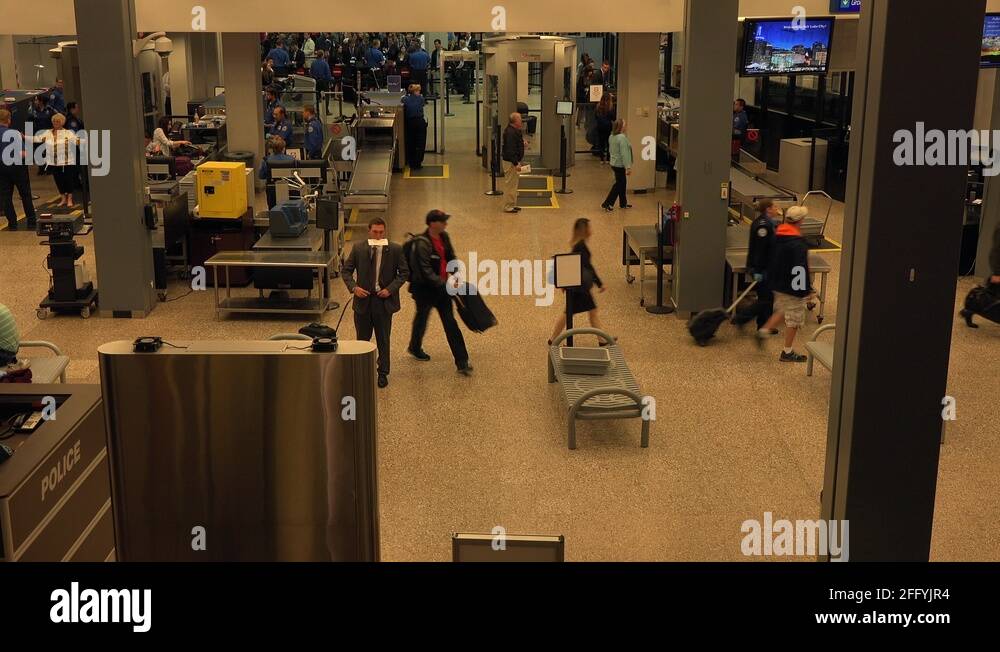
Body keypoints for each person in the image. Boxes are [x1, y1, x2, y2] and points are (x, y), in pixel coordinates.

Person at [341, 217, 409, 389]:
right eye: (375, 232)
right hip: (363, 301)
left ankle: (383, 373)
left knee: (383, 339)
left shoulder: (394, 249)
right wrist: (354, 288)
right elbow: (347, 271)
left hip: (383, 301)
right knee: (362, 339)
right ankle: (361, 370)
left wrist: (390, 289)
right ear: (369, 231)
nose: (378, 235)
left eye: (381, 232)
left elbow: (404, 273)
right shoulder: (358, 249)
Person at [407, 210, 473, 376]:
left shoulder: (444, 237)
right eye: (442, 221)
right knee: (421, 318)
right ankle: (414, 347)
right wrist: (443, 284)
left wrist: (456, 274)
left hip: (442, 290)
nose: (445, 224)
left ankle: (462, 362)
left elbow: (451, 257)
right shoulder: (422, 244)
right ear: (432, 223)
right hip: (425, 290)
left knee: (450, 323)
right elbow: (425, 271)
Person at [755, 206, 816, 362]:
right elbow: (800, 269)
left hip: (777, 282)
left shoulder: (778, 234)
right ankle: (787, 352)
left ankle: (763, 331)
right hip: (792, 286)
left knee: (783, 309)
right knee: (794, 319)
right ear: (801, 221)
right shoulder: (798, 243)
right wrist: (805, 290)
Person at [549, 218, 611, 346]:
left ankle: (602, 340)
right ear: (584, 230)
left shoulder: (578, 244)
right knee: (580, 313)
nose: (591, 230)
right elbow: (588, 266)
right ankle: (602, 340)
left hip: (577, 285)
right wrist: (599, 283)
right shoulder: (581, 246)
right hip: (580, 287)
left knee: (577, 312)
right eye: (589, 227)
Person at [746, 199, 782, 330]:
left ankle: (765, 324)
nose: (777, 208)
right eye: (774, 207)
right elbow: (760, 251)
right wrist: (758, 270)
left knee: (767, 297)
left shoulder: (768, 223)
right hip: (762, 269)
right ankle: (761, 325)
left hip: (767, 268)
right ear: (768, 209)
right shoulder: (763, 226)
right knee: (765, 298)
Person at [32, 112, 81, 207]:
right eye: (54, 121)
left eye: (58, 122)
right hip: (53, 163)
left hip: (67, 162)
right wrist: (24, 137)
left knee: (68, 180)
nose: (55, 123)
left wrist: (84, 140)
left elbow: (76, 141)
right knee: (58, 181)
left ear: (62, 122)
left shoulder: (68, 133)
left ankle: (70, 198)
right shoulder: (48, 132)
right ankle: (63, 198)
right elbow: (37, 138)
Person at [0, 109, 37, 230]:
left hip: (1, 168)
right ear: (9, 120)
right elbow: (23, 154)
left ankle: (12, 224)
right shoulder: (14, 133)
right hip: (17, 167)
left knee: (6, 196)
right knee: (25, 194)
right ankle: (31, 221)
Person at [602, 118, 634, 211]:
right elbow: (625, 153)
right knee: (619, 184)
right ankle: (608, 203)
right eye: (625, 125)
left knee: (622, 183)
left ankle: (623, 203)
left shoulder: (611, 136)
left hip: (614, 163)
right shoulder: (622, 138)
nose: (626, 126)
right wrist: (628, 167)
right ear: (621, 127)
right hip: (620, 164)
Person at [258, 136, 294, 209]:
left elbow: (261, 176)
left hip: (272, 190)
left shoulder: (266, 160)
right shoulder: (291, 159)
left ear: (272, 149)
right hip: (288, 188)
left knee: (273, 210)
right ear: (283, 148)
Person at [501, 112, 525, 214]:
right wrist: (516, 163)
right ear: (515, 121)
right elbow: (510, 150)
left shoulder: (514, 131)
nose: (521, 121)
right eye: (520, 119)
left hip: (513, 161)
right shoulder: (511, 133)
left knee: (513, 184)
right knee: (510, 185)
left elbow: (515, 143)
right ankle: (508, 206)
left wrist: (522, 143)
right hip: (510, 162)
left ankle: (512, 204)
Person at [401, 84, 427, 170]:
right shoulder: (421, 99)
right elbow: (423, 104)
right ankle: (418, 162)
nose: (419, 92)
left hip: (410, 123)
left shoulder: (406, 99)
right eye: (418, 90)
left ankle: (411, 162)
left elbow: (402, 99)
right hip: (420, 122)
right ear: (415, 91)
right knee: (421, 142)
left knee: (411, 142)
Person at [594, 92, 616, 162]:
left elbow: (596, 117)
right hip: (608, 127)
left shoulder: (598, 106)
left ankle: (601, 158)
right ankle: (608, 159)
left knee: (601, 143)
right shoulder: (611, 107)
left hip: (600, 127)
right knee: (608, 143)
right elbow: (613, 118)